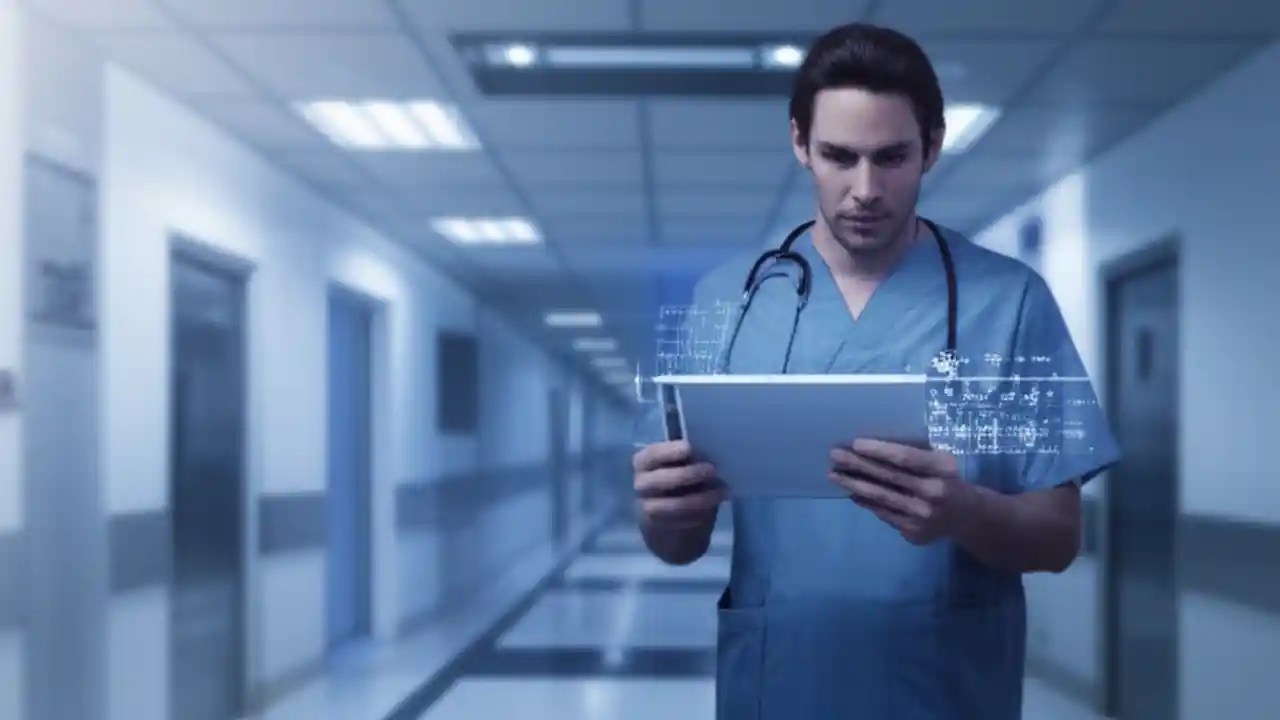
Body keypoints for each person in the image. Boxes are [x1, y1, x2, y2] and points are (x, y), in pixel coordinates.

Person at [630, 22, 1121, 720]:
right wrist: (662, 513)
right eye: (839, 156)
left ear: (933, 146)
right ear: (799, 142)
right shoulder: (723, 305)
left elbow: (1059, 536)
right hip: (779, 688)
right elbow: (676, 544)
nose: (865, 189)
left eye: (891, 157)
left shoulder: (1009, 303)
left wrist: (966, 512)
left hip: (945, 692)